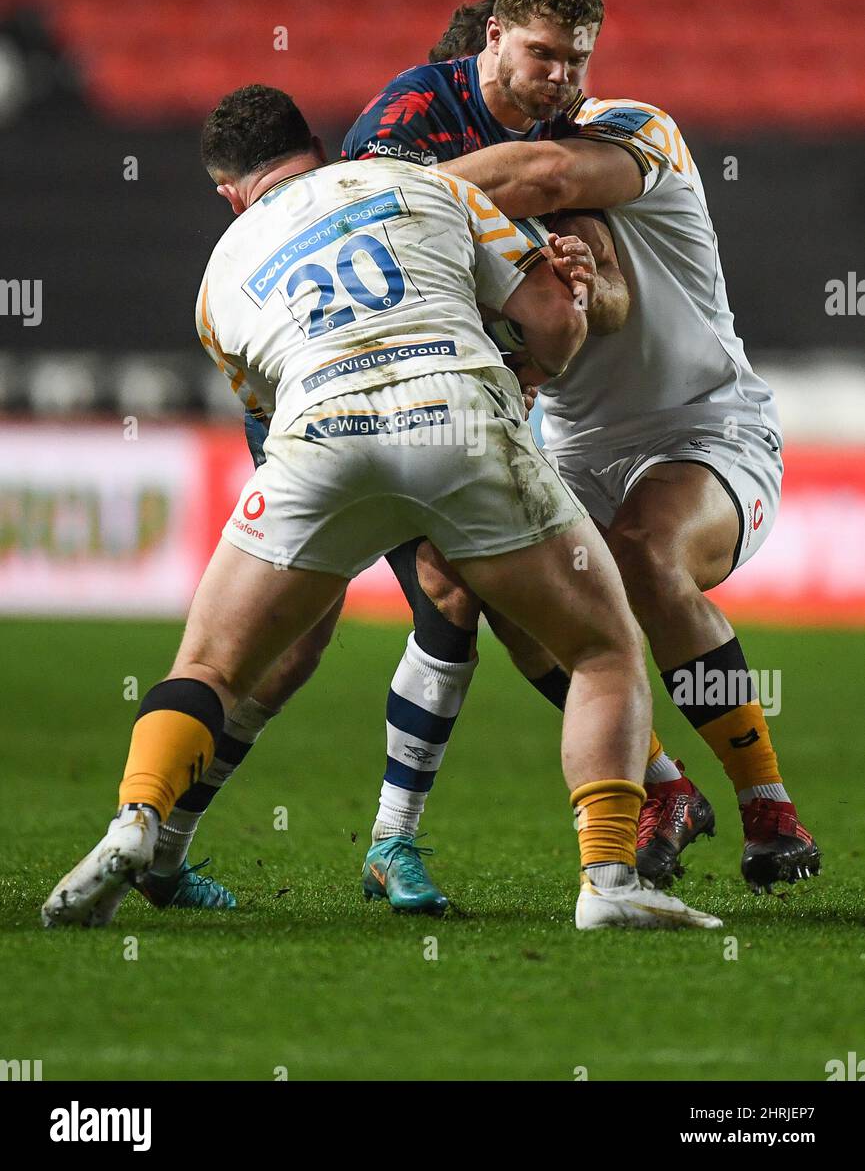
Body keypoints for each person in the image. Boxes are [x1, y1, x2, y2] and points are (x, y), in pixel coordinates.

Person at [41, 84, 721, 934]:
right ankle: (608, 882)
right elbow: (549, 326)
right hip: (457, 416)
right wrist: (566, 315)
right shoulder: (428, 185)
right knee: (599, 647)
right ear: (319, 146)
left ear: (228, 192)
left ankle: (138, 821)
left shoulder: (218, 275)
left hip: (319, 433)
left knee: (209, 667)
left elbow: (262, 395)